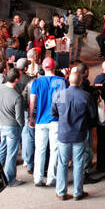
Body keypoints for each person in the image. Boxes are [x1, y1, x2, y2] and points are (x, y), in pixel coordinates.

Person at [52, 70, 96, 201]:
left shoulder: (60, 94)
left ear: (68, 80)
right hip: (79, 133)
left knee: (63, 163)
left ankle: (61, 191)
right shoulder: (85, 96)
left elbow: (53, 113)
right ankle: (78, 192)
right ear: (80, 81)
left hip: (64, 134)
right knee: (78, 163)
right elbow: (93, 115)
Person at [28, 58, 66, 187]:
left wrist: (30, 117)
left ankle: (38, 178)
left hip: (40, 120)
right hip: (55, 120)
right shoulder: (61, 81)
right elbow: (62, 102)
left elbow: (32, 101)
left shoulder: (37, 82)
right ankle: (52, 178)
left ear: (43, 68)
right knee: (54, 149)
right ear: (54, 67)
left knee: (40, 149)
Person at [0, 67, 25, 187]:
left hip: (1, 124)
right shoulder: (17, 97)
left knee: (1, 150)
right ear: (16, 79)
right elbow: (19, 117)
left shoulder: (0, 89)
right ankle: (10, 179)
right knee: (11, 154)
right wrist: (22, 126)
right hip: (12, 127)